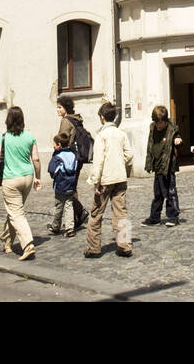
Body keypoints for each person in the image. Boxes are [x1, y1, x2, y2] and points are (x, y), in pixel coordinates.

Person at [0, 107, 40, 261]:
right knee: (14, 210)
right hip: (27, 177)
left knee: (16, 213)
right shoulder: (30, 136)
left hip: (11, 179)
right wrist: (38, 177)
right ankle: (7, 241)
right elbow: (36, 159)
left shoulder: (4, 138)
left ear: (8, 120)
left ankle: (28, 244)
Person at [84, 101, 133, 258]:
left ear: (102, 118)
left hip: (105, 180)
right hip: (120, 178)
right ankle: (124, 245)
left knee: (96, 214)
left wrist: (95, 181)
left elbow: (98, 161)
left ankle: (93, 248)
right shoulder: (121, 134)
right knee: (121, 212)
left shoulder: (101, 136)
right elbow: (129, 154)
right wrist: (120, 162)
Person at [143, 105, 182, 226]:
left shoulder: (172, 129)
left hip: (168, 165)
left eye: (161, 123)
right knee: (158, 194)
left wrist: (178, 140)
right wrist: (149, 162)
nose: (159, 126)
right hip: (157, 165)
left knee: (170, 192)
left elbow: (177, 136)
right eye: (157, 123)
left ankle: (173, 217)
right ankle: (154, 217)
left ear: (165, 121)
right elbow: (150, 145)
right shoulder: (153, 128)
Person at [55, 97, 89, 228]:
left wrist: (57, 146)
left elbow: (62, 140)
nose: (58, 110)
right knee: (72, 186)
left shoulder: (66, 121)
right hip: (77, 158)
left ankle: (80, 212)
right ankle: (76, 216)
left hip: (69, 158)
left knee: (67, 188)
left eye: (60, 107)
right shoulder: (76, 119)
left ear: (66, 108)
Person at [47, 132, 81, 237]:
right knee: (69, 205)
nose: (53, 146)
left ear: (59, 145)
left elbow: (51, 170)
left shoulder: (57, 156)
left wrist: (55, 177)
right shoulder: (73, 154)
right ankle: (70, 228)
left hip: (60, 185)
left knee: (58, 206)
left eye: (55, 144)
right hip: (70, 184)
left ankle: (55, 226)